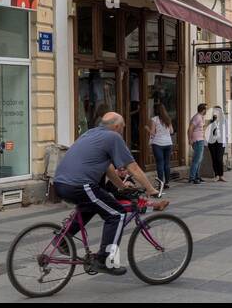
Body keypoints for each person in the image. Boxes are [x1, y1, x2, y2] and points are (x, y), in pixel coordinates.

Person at [51, 112, 159, 276]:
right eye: (123, 128)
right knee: (117, 214)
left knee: (91, 206)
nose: (122, 132)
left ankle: (62, 239)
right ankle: (104, 260)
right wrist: (151, 189)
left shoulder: (89, 133)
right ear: (116, 127)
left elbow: (107, 168)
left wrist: (121, 186)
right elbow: (133, 168)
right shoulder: (113, 137)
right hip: (80, 185)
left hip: (59, 183)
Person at [148, 103, 174, 191]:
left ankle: (160, 183)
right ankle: (167, 183)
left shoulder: (154, 119)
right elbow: (171, 131)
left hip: (158, 143)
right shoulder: (168, 119)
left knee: (160, 164)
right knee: (167, 164)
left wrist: (146, 128)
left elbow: (152, 132)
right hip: (168, 143)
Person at [187, 104, 207, 184]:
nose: (206, 111)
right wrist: (190, 139)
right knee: (196, 159)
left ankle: (197, 176)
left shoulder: (200, 117)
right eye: (206, 109)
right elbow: (190, 128)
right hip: (197, 140)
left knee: (199, 159)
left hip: (200, 140)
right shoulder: (197, 117)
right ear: (203, 110)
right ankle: (192, 178)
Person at [206, 107, 227, 181]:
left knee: (219, 159)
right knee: (214, 159)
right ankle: (216, 175)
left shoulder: (223, 120)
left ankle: (221, 175)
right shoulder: (211, 121)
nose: (215, 113)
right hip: (212, 142)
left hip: (221, 142)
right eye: (214, 111)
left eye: (217, 111)